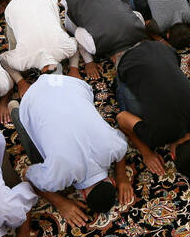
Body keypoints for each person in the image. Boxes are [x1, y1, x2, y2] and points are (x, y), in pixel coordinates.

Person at [12, 74, 132, 224]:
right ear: (82, 194)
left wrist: (121, 175)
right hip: (30, 98)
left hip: (70, 83)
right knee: (37, 157)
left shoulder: (112, 149)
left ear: (112, 182)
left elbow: (122, 144)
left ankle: (50, 74)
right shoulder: (58, 177)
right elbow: (29, 175)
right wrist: (60, 202)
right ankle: (15, 112)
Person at [113, 39, 190, 181]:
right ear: (172, 156)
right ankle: (118, 74)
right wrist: (146, 152)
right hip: (127, 61)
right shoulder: (156, 137)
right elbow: (121, 118)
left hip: (162, 48)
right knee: (132, 110)